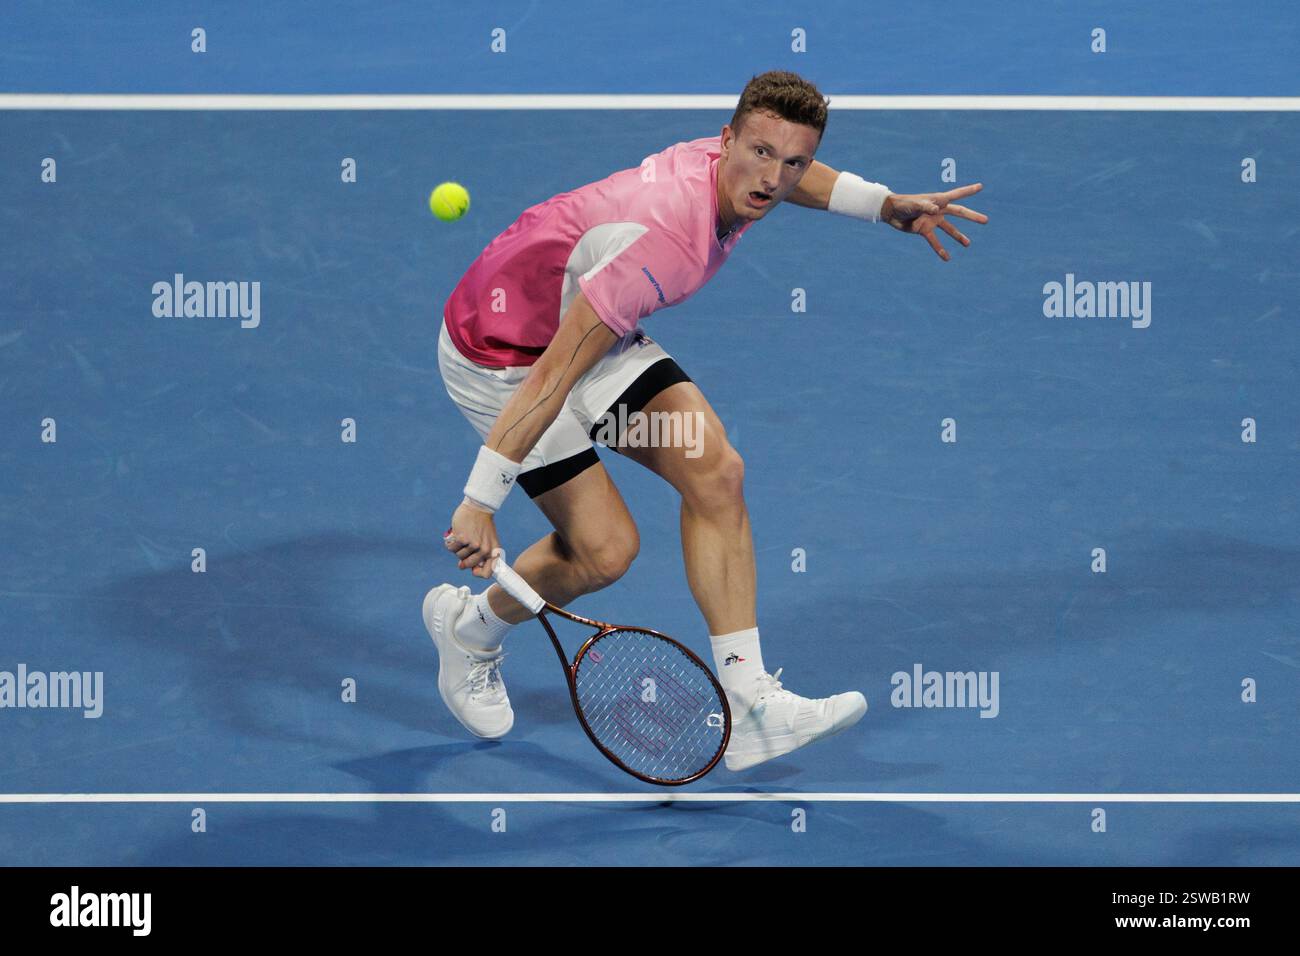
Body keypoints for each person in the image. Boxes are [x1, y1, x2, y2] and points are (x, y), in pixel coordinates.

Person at [427, 70, 987, 771]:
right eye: (759, 153)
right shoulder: (666, 242)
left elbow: (790, 177)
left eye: (792, 161)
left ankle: (751, 705)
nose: (773, 179)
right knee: (604, 553)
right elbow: (551, 378)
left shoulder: (741, 169)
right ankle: (471, 629)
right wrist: (481, 502)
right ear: (726, 141)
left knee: (715, 472)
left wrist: (882, 205)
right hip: (503, 355)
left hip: (589, 323)